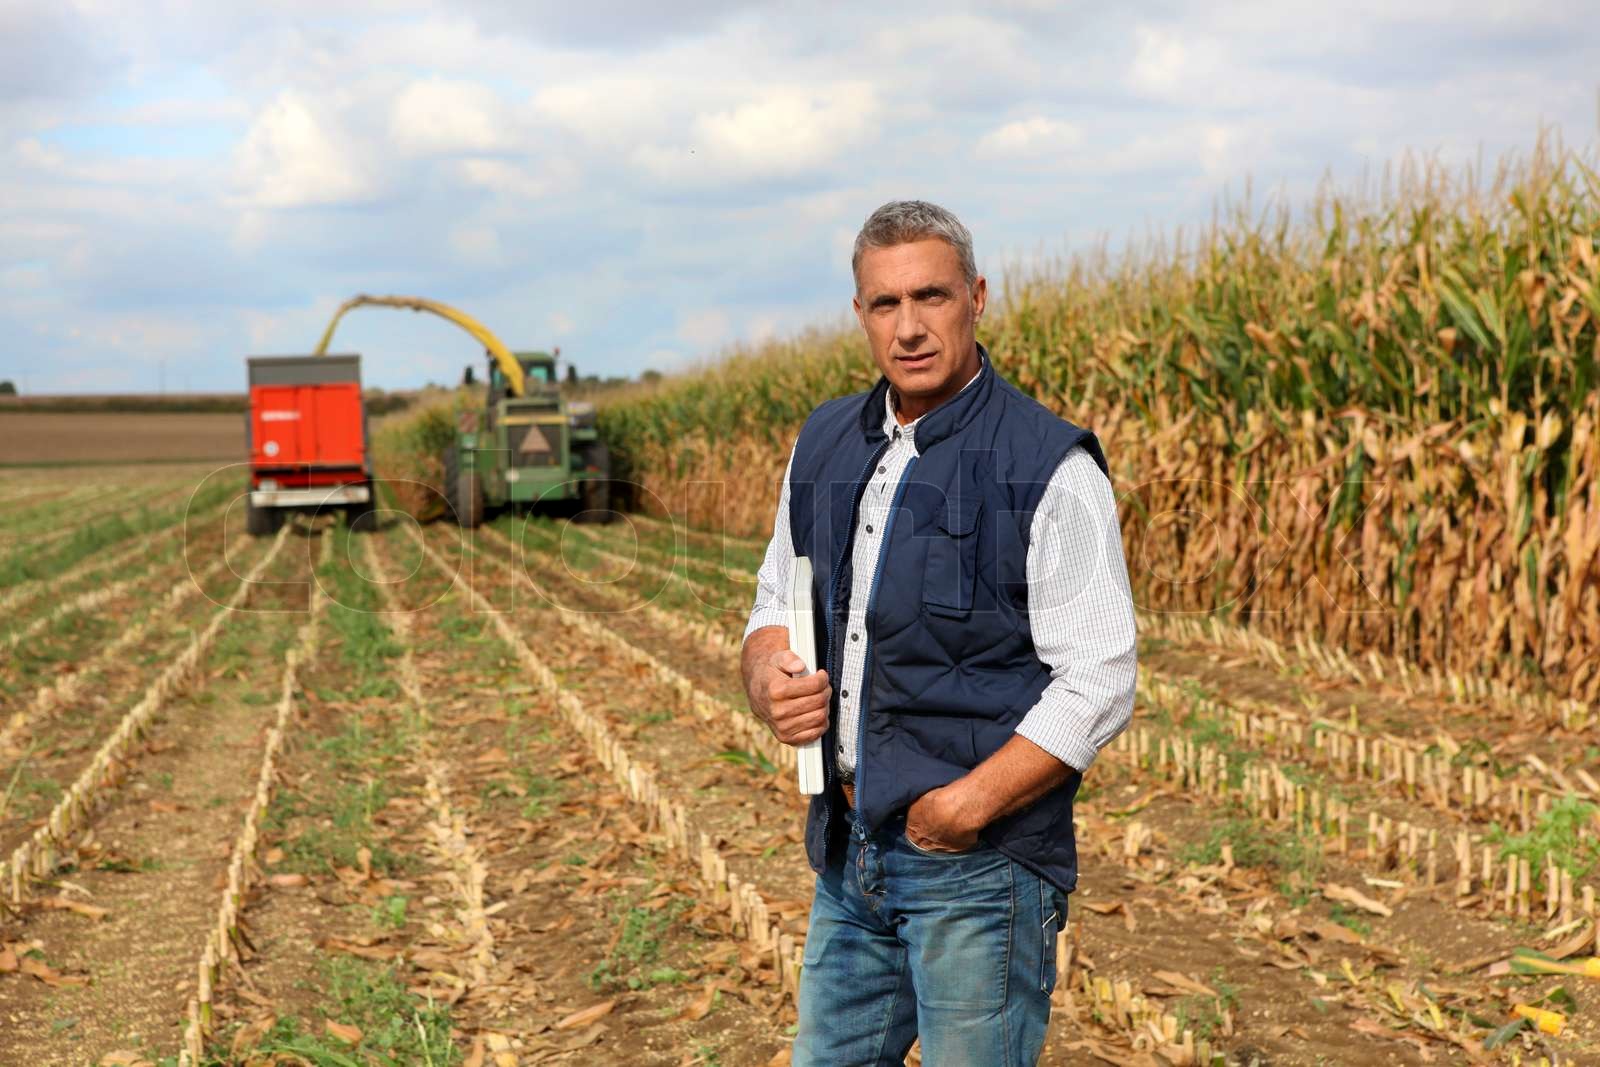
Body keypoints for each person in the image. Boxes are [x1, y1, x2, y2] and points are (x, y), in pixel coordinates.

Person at [740, 200, 1138, 1066]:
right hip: (848, 857)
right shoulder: (823, 441)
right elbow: (778, 594)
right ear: (860, 314)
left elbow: (1100, 677)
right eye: (886, 304)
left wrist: (966, 807)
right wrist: (768, 669)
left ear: (978, 296)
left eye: (932, 296)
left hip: (977, 871)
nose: (910, 327)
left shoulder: (1048, 464)